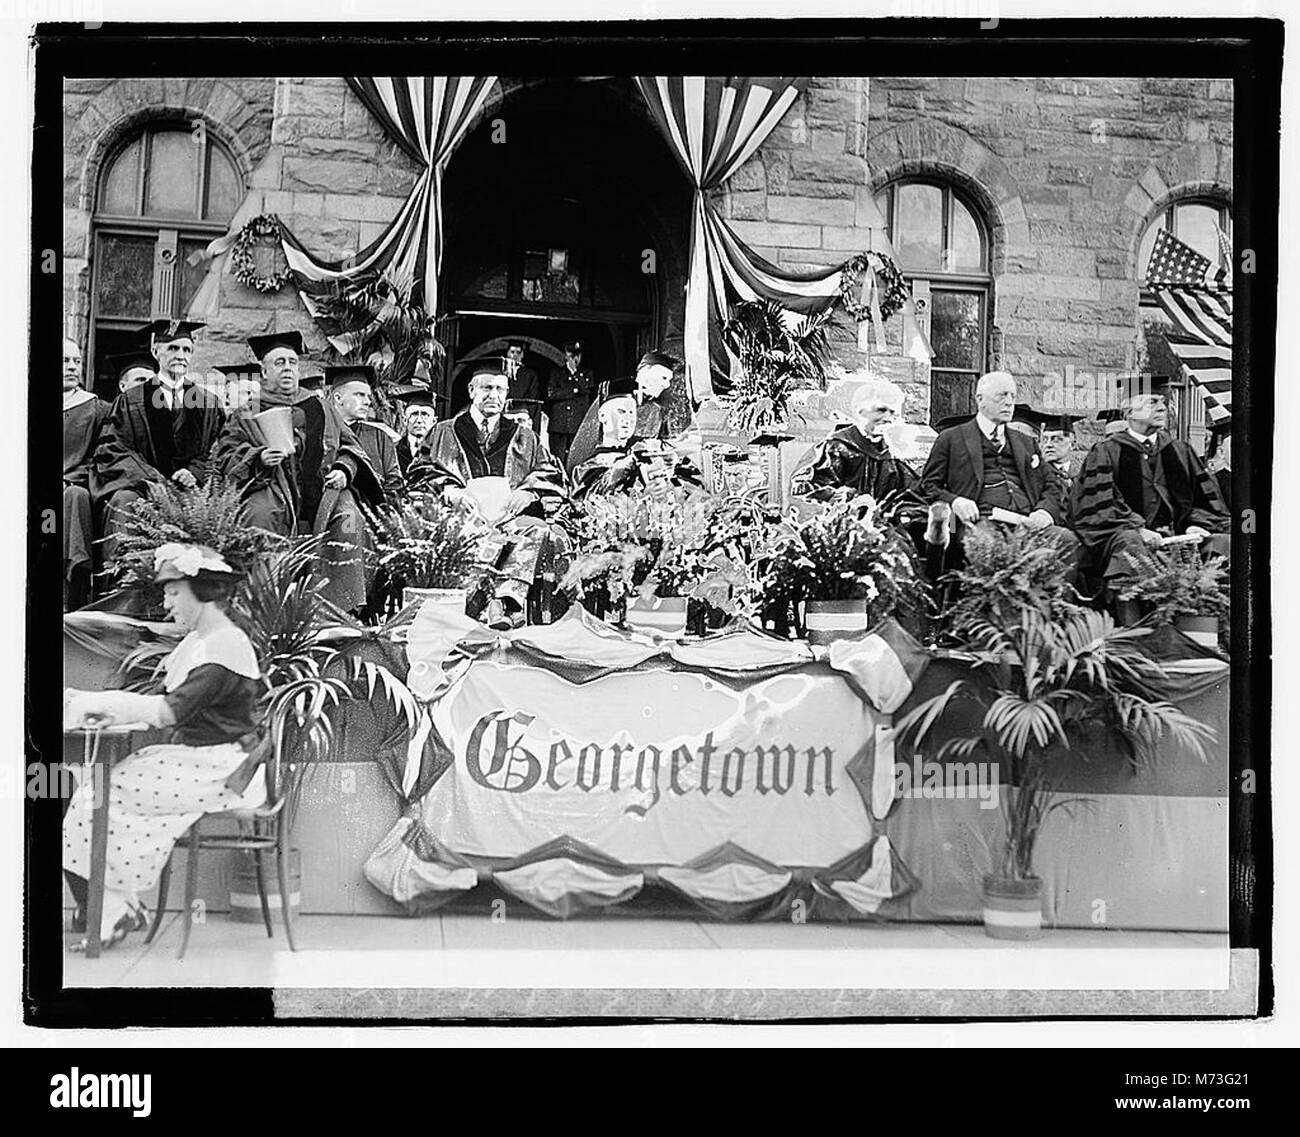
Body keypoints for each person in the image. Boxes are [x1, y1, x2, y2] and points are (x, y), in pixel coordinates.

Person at [62, 544, 265, 951]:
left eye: (175, 593)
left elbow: (171, 712)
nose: (167, 602)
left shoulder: (222, 646)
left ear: (201, 591)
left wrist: (99, 703)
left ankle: (113, 911)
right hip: (199, 761)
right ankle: (118, 907)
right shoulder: (204, 640)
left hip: (221, 770)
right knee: (96, 798)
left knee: (95, 798)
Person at [209, 331, 383, 615]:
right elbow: (226, 455)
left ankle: (343, 608)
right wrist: (259, 458)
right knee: (260, 514)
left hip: (324, 491)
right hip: (272, 487)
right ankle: (264, 608)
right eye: (279, 362)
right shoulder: (247, 410)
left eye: (292, 361)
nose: (288, 367)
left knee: (350, 518)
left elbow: (352, 447)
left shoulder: (321, 407)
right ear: (264, 370)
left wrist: (343, 470)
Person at [410, 361, 568, 624]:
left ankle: (504, 601)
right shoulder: (443, 432)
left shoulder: (525, 436)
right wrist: (450, 492)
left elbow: (549, 474)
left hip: (508, 519)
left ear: (507, 394)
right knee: (467, 534)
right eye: (486, 388)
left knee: (537, 532)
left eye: (500, 389)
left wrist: (529, 492)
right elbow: (418, 473)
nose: (493, 395)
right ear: (471, 390)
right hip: (460, 518)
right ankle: (481, 607)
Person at [1071, 392, 1230, 599]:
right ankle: (1134, 628)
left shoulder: (1180, 450)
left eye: (1163, 402)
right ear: (1129, 412)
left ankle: (1218, 626)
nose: (1162, 408)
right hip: (1124, 535)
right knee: (1130, 545)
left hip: (1180, 536)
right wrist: (1138, 528)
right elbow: (1100, 506)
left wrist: (1195, 523)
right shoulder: (1106, 451)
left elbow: (1203, 499)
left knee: (1225, 543)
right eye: (1152, 402)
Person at [94, 320, 227, 561]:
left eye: (186, 350)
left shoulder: (208, 403)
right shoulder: (130, 400)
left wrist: (194, 472)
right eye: (173, 348)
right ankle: (122, 587)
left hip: (192, 491)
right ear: (156, 352)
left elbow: (219, 449)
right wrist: (153, 480)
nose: (181, 355)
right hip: (142, 488)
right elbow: (113, 449)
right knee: (123, 502)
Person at [918, 370, 1077, 570]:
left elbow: (1051, 484)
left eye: (1012, 396)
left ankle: (1054, 602)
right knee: (989, 547)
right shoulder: (951, 439)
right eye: (1002, 395)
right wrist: (956, 502)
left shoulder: (1026, 442)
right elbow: (928, 486)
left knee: (1067, 541)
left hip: (1026, 522)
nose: (1009, 402)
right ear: (980, 399)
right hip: (978, 523)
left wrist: (1044, 512)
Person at [792, 378, 923, 505]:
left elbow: (913, 493)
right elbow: (803, 488)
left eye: (894, 412)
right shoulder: (836, 447)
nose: (889, 418)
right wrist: (834, 495)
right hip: (840, 522)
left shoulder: (892, 455)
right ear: (860, 411)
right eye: (882, 410)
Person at [566, 349, 684, 473]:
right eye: (663, 378)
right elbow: (584, 445)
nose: (666, 385)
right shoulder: (614, 395)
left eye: (669, 380)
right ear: (645, 372)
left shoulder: (658, 410)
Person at [62, 338, 111, 609]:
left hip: (73, 489)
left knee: (75, 496)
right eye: (64, 361)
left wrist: (69, 479)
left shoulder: (96, 408)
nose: (72, 367)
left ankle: (72, 595)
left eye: (76, 361)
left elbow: (100, 459)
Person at [328, 364, 405, 497]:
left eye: (368, 396)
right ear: (338, 398)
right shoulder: (322, 433)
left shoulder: (380, 437)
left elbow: (395, 482)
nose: (367, 402)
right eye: (359, 395)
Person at [544, 340, 594, 468]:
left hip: (577, 424)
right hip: (559, 424)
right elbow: (552, 394)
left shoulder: (586, 373)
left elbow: (587, 390)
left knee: (576, 459)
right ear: (566, 356)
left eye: (577, 356)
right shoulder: (556, 373)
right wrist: (574, 391)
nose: (574, 359)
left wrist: (575, 374)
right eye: (571, 356)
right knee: (557, 459)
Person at [395, 388, 438, 476]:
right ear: (405, 420)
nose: (419, 420)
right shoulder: (393, 449)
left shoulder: (440, 451)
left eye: (425, 415)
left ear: (434, 422)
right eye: (414, 414)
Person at [504, 339, 543, 432]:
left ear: (522, 355)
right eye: (512, 352)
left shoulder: (530, 374)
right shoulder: (500, 373)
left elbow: (533, 398)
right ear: (507, 354)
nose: (515, 356)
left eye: (518, 352)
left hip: (522, 414)